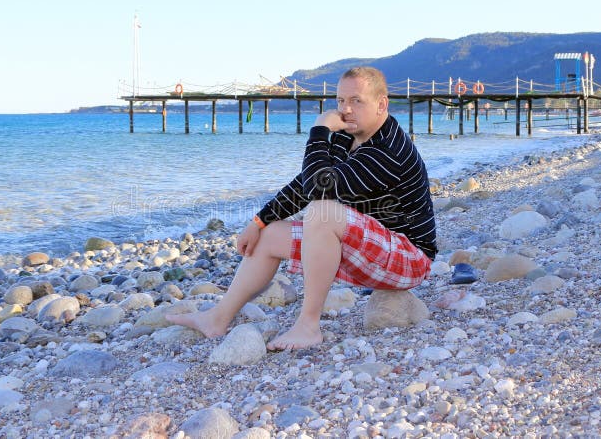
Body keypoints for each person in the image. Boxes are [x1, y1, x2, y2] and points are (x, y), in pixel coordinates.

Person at [167, 66, 437, 350]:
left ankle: (308, 327)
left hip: (409, 259)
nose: (346, 110)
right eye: (341, 101)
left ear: (382, 104)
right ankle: (217, 319)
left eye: (357, 101)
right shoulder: (349, 135)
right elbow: (303, 186)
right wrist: (258, 222)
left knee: (322, 212)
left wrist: (319, 131)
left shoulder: (388, 149)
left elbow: (320, 188)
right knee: (269, 235)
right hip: (372, 250)